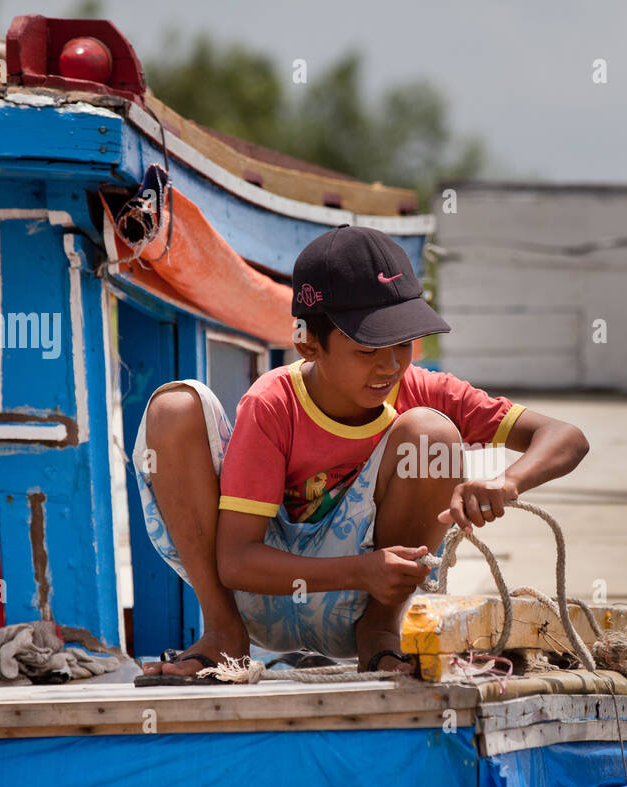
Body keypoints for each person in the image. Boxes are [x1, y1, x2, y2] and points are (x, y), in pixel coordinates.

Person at [134, 224, 589, 677]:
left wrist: (507, 481)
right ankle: (221, 635)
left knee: (432, 434)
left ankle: (380, 634)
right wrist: (360, 569)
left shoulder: (424, 391)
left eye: (403, 343)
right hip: (259, 597)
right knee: (174, 407)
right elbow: (235, 561)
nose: (389, 365)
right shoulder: (272, 403)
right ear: (307, 342)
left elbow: (567, 437)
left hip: (364, 604)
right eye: (368, 346)